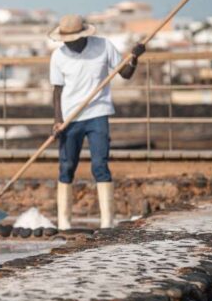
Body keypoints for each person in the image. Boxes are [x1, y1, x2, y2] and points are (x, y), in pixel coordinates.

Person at [48, 15, 145, 230]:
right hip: (70, 118)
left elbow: (126, 74)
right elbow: (57, 90)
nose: (68, 43)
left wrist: (134, 59)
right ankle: (64, 223)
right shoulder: (58, 56)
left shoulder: (103, 46)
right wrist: (57, 120)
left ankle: (107, 222)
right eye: (65, 39)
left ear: (83, 36)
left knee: (100, 165)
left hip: (98, 114)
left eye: (72, 39)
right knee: (67, 166)